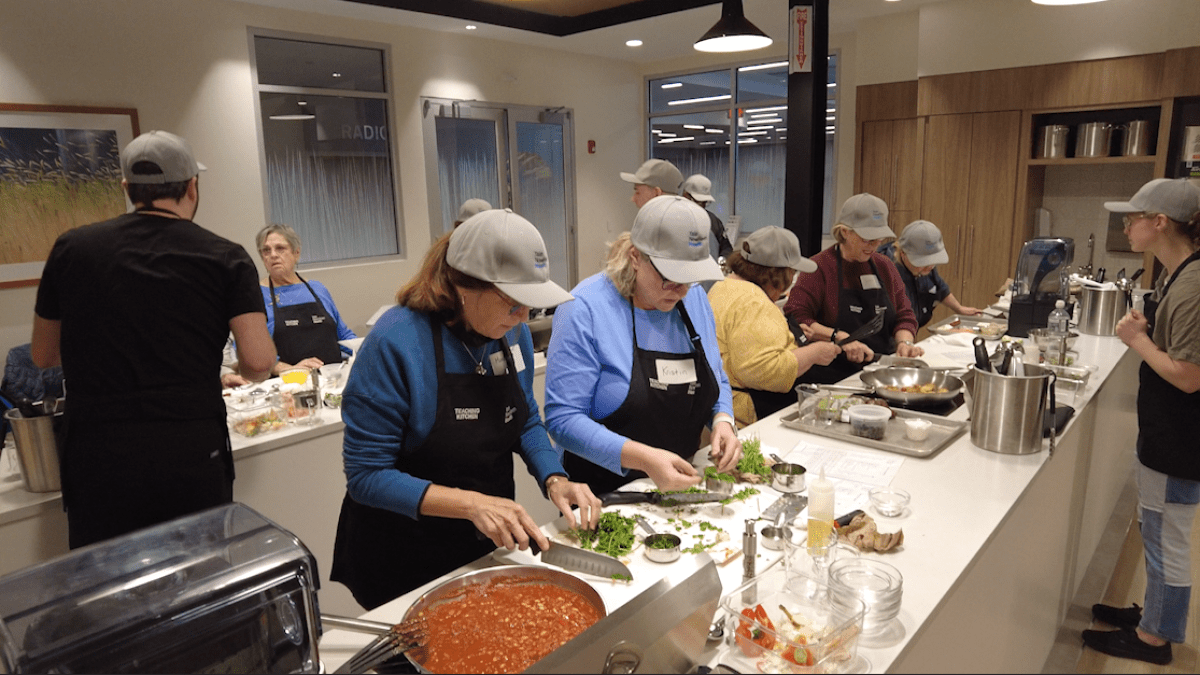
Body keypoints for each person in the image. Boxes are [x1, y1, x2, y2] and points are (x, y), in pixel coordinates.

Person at [331, 209, 601, 610]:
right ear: (462, 286)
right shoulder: (396, 343)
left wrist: (554, 476)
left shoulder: (513, 334)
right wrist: (472, 503)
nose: (524, 317)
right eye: (514, 303)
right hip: (403, 551)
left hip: (483, 542)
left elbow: (523, 418)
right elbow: (367, 476)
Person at [30, 130, 276, 549]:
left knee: (106, 582)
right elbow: (258, 362)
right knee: (197, 577)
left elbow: (44, 355)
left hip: (98, 451)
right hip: (189, 449)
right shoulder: (225, 256)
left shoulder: (72, 248)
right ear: (192, 187)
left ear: (128, 189)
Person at [544, 195, 741, 495]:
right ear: (636, 257)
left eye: (691, 278)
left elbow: (716, 376)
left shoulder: (694, 299)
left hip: (679, 485)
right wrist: (646, 460)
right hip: (602, 495)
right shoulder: (584, 308)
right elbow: (563, 420)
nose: (681, 290)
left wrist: (723, 420)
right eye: (671, 277)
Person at [1083, 178, 1200, 666]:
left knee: (1167, 536)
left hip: (1181, 439)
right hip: (1165, 433)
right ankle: (1154, 615)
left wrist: (1138, 340)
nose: (1126, 225)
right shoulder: (1178, 273)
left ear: (1161, 223)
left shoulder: (1194, 284)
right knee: (1154, 528)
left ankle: (1155, 640)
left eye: (1134, 218)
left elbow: (1190, 376)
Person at [709, 227, 842, 427]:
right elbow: (763, 370)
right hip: (746, 415)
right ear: (779, 274)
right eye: (793, 271)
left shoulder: (724, 286)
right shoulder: (753, 301)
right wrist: (814, 353)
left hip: (720, 406)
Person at [782, 193, 921, 384]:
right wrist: (838, 337)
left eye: (878, 239)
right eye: (867, 239)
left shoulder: (885, 266)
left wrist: (905, 343)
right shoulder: (819, 267)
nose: (874, 245)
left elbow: (905, 315)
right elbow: (798, 317)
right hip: (832, 376)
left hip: (880, 372)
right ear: (845, 232)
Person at [256, 223, 356, 375]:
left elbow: (344, 336)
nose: (273, 255)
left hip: (332, 381)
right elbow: (253, 354)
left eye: (280, 248)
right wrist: (290, 370)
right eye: (266, 250)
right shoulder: (257, 295)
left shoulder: (318, 289)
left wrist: (367, 350)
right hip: (288, 386)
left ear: (296, 253)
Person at [879, 220, 982, 329]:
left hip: (911, 330)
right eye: (923, 262)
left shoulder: (926, 267)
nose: (930, 267)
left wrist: (959, 308)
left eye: (932, 261)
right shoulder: (885, 270)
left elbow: (940, 289)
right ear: (903, 254)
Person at [682, 173, 733, 264]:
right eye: (699, 202)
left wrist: (722, 260)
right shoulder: (672, 219)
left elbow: (726, 247)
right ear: (686, 196)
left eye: (705, 202)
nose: (702, 206)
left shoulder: (713, 221)